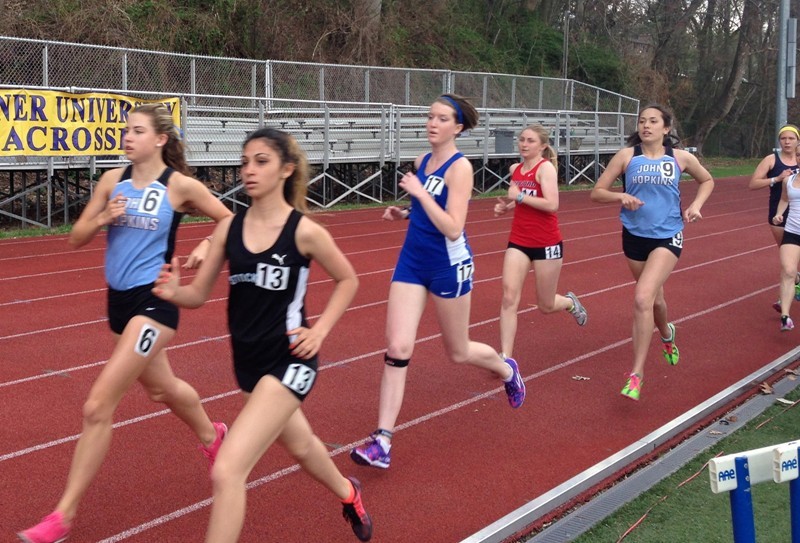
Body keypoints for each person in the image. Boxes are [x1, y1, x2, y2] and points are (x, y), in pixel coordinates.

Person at [18, 103, 233, 543]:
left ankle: (62, 517)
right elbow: (76, 237)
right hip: (118, 304)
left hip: (154, 304)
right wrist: (102, 218)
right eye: (125, 130)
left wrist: (208, 246)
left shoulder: (179, 187)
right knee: (161, 388)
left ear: (159, 139)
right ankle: (214, 437)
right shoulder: (111, 181)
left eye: (136, 130)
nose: (127, 136)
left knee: (98, 405)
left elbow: (228, 217)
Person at [152, 127, 372, 542]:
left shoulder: (303, 231)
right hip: (248, 363)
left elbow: (348, 279)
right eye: (245, 162)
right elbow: (198, 295)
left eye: (261, 161)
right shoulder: (229, 229)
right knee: (302, 447)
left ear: (286, 169)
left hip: (291, 358)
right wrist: (172, 292)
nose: (248, 170)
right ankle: (348, 492)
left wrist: (320, 330)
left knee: (228, 469)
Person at [350, 94, 526, 470]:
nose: (432, 123)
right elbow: (426, 207)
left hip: (448, 265)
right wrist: (404, 212)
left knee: (458, 351)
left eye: (442, 118)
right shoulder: (422, 162)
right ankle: (382, 440)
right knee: (397, 346)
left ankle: (507, 370)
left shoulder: (460, 168)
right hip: (412, 262)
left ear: (457, 127)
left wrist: (416, 194)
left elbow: (452, 226)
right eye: (430, 116)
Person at [590, 103, 714, 401]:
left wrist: (695, 205)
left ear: (666, 128)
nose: (646, 126)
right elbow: (596, 192)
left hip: (668, 236)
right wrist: (620, 195)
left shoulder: (681, 158)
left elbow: (707, 180)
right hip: (634, 237)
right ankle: (667, 334)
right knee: (655, 301)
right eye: (642, 121)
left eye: (653, 121)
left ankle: (637, 374)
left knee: (642, 297)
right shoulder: (626, 156)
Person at [493, 124, 588, 361]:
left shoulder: (545, 169)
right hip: (519, 240)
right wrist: (507, 205)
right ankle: (506, 359)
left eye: (530, 141)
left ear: (542, 146)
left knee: (545, 305)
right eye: (522, 139)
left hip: (546, 243)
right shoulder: (516, 168)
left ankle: (568, 302)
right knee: (508, 297)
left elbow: (551, 204)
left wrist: (520, 197)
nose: (524, 144)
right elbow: (522, 199)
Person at [749, 124, 800, 311]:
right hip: (779, 213)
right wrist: (776, 179)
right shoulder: (772, 159)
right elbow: (753, 184)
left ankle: (784, 296)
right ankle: (791, 287)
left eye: (791, 138)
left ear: (797, 141)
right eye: (783, 138)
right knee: (787, 259)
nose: (787, 142)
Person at [772, 142, 800, 331]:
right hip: (792, 230)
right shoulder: (788, 180)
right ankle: (785, 316)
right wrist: (779, 213)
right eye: (799, 155)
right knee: (788, 271)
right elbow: (784, 199)